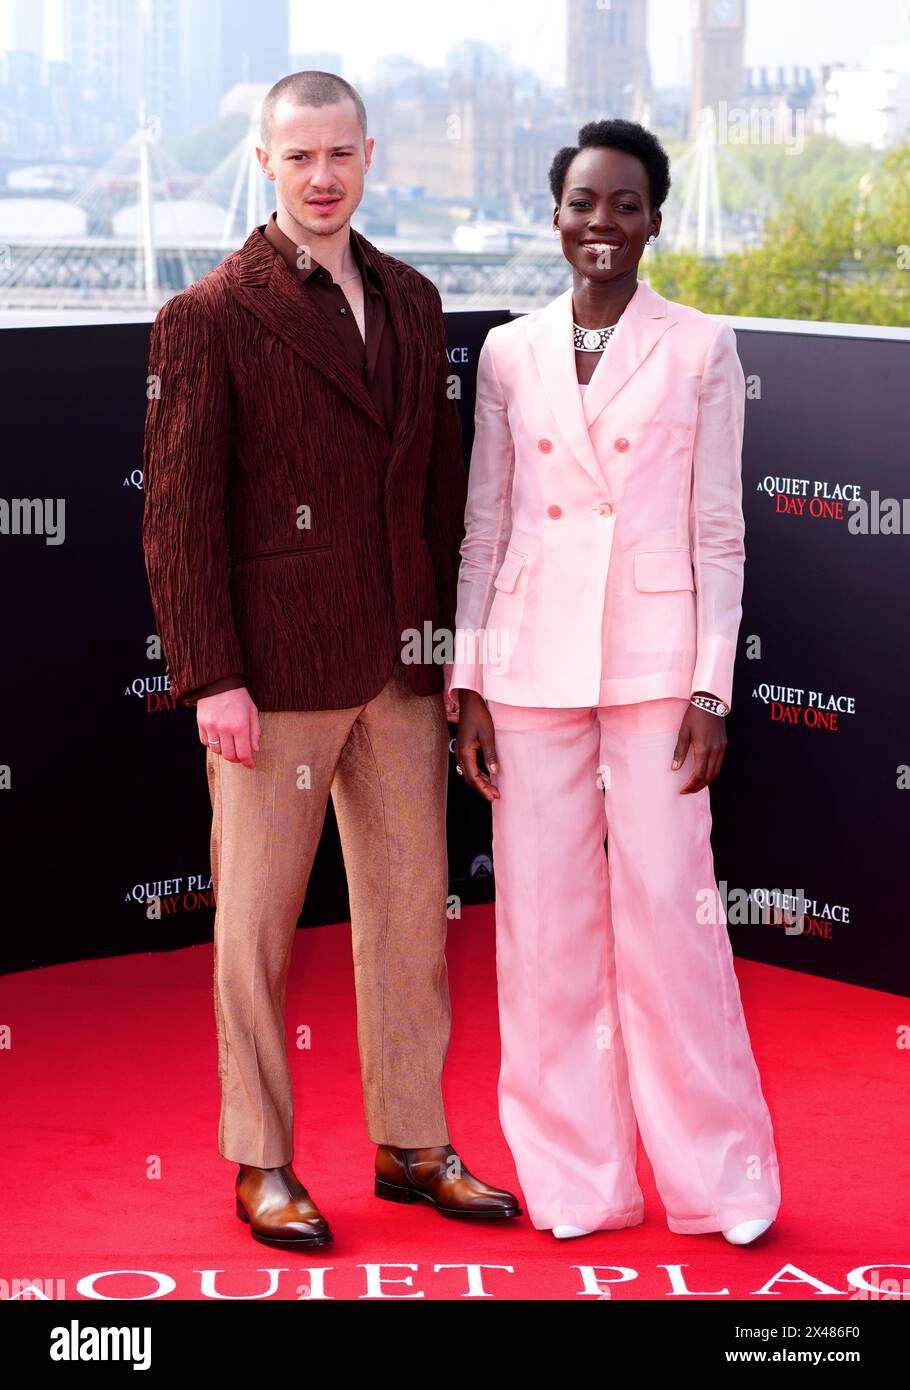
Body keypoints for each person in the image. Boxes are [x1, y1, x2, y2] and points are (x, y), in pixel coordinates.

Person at [142, 70, 520, 1249]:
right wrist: (211, 676)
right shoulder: (206, 317)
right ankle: (260, 1159)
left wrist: (458, 661)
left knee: (414, 916)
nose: (322, 177)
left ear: (369, 157)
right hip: (274, 671)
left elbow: (442, 499)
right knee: (254, 926)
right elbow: (179, 515)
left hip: (403, 666)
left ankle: (412, 1141)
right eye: (299, 157)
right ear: (266, 162)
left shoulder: (413, 300)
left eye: (341, 155)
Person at [450, 119, 781, 1245]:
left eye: (625, 205)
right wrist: (469, 680)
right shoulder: (506, 352)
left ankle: (722, 1181)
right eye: (583, 202)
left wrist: (710, 688)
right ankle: (575, 1181)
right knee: (540, 936)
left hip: (652, 672)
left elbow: (719, 535)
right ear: (554, 216)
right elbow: (485, 523)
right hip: (531, 666)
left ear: (653, 220)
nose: (602, 224)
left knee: (672, 929)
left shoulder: (699, 347)